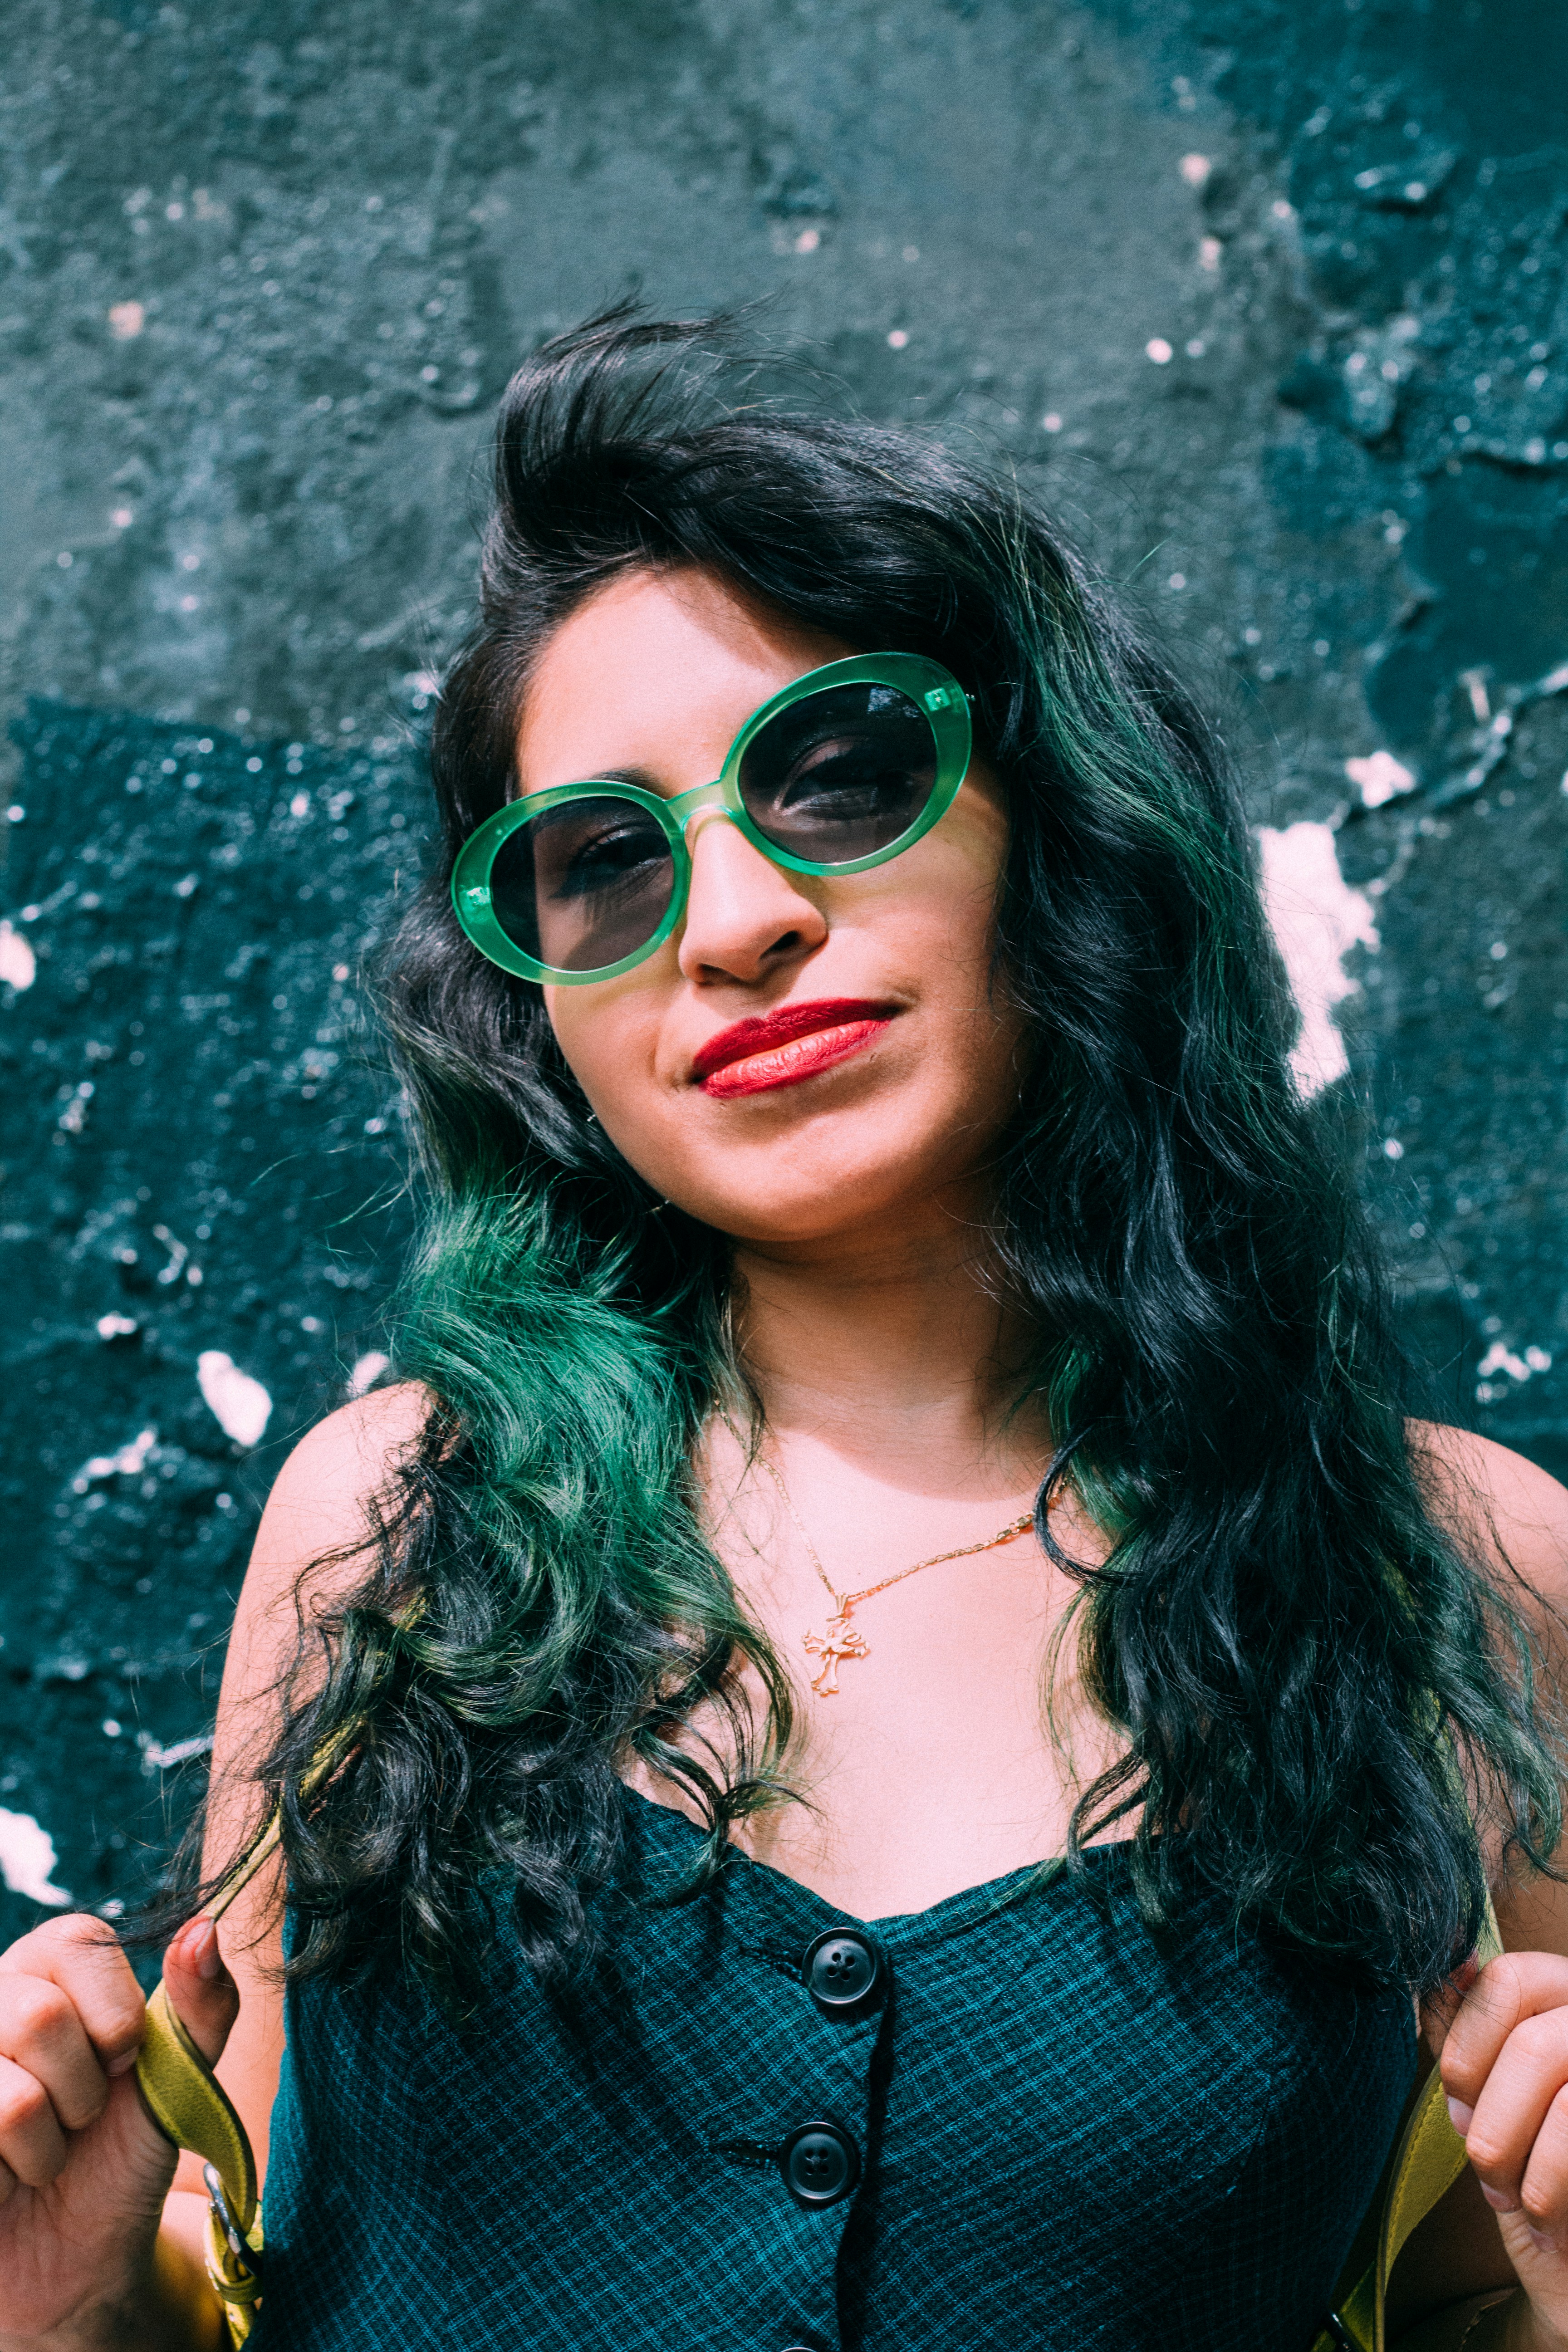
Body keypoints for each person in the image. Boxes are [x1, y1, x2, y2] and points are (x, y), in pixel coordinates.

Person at [1, 313, 1566, 2352]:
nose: (734, 921)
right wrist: (56, 2293)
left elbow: (1476, 2304)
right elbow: (252, 2274)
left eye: (838, 778)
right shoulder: (388, 1532)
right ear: (542, 1006)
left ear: (1057, 827)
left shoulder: (1457, 1575)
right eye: (603, 863)